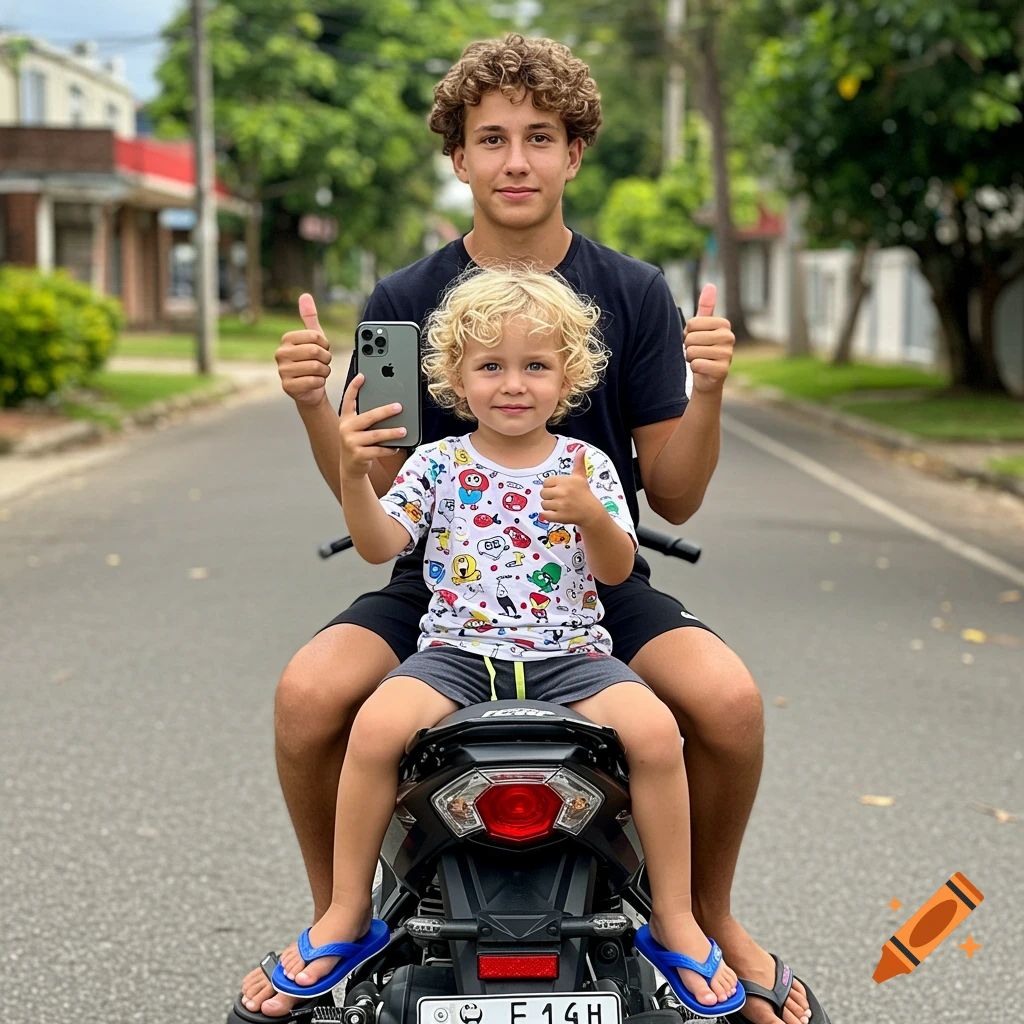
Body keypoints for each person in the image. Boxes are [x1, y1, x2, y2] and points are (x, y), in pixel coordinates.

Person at [241, 33, 820, 1024]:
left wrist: (711, 390)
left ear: (574, 152)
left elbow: (671, 496)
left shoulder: (634, 292)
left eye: (539, 137)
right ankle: (338, 919)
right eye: (491, 137)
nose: (516, 160)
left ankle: (707, 918)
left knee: (727, 704)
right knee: (306, 697)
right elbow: (376, 490)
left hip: (597, 582)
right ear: (457, 156)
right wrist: (313, 412)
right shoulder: (399, 304)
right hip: (440, 591)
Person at [271, 267, 743, 1014]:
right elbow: (376, 544)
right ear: (456, 378)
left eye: (535, 366)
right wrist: (354, 475)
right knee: (371, 733)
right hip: (457, 653)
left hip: (571, 656)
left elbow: (617, 567)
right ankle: (345, 911)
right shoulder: (437, 463)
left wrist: (590, 515)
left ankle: (680, 918)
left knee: (656, 736)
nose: (513, 384)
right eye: (490, 366)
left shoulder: (586, 465)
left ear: (569, 377)